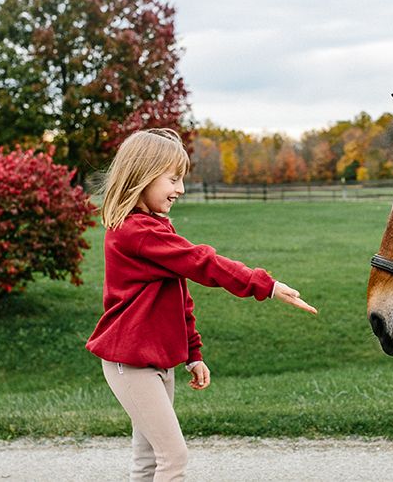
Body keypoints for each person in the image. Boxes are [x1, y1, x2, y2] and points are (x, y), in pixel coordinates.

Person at [86, 128, 317, 482]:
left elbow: (180, 294)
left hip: (154, 361)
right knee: (173, 457)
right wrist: (264, 285)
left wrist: (193, 352)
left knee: (148, 460)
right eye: (173, 179)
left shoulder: (154, 228)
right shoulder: (137, 232)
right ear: (142, 176)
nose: (180, 188)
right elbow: (202, 262)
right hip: (130, 363)